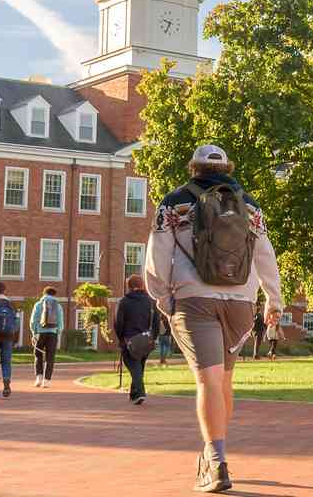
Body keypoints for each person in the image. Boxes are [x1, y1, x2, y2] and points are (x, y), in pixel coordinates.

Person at [147, 144, 285, 494]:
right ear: (228, 168)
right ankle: (214, 452)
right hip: (240, 302)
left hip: (195, 301)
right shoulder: (250, 206)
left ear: (193, 168)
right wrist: (274, 300)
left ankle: (217, 463)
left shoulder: (174, 201)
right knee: (223, 382)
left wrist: (163, 298)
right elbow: (265, 255)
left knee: (207, 382)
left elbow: (157, 254)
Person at [113, 275, 159, 404]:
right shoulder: (150, 301)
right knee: (139, 366)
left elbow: (118, 322)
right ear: (142, 285)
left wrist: (121, 338)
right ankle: (134, 394)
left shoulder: (124, 301)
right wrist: (153, 337)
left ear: (128, 286)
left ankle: (140, 393)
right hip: (146, 340)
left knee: (134, 366)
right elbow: (156, 322)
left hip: (129, 340)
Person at [30, 287, 64, 388]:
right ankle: (47, 381)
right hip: (52, 334)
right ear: (54, 294)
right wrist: (58, 332)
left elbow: (33, 320)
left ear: (44, 293)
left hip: (40, 333)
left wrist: (34, 332)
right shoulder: (58, 306)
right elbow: (60, 322)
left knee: (38, 355)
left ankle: (38, 378)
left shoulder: (38, 304)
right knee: (50, 357)